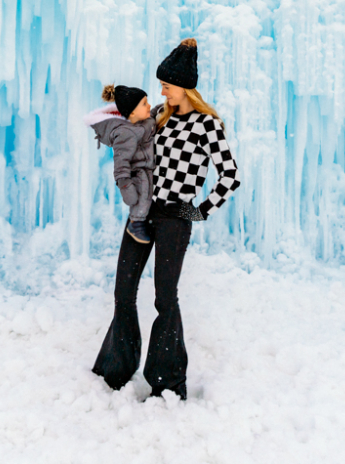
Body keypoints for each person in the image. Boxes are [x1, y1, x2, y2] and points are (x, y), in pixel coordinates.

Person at [91, 38, 241, 400]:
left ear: (185, 87)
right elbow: (126, 130)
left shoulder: (207, 125)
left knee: (165, 297)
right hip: (143, 212)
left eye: (166, 85)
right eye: (161, 85)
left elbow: (230, 175)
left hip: (175, 217)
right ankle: (116, 368)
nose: (161, 91)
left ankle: (168, 381)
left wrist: (199, 211)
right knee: (123, 291)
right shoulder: (159, 114)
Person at [84, 84, 156, 244]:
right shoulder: (125, 134)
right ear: (132, 112)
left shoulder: (143, 121)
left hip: (147, 166)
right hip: (137, 171)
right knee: (143, 194)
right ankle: (136, 223)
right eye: (144, 104)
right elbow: (121, 162)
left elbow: (152, 117)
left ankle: (141, 219)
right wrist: (125, 185)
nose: (149, 106)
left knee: (148, 191)